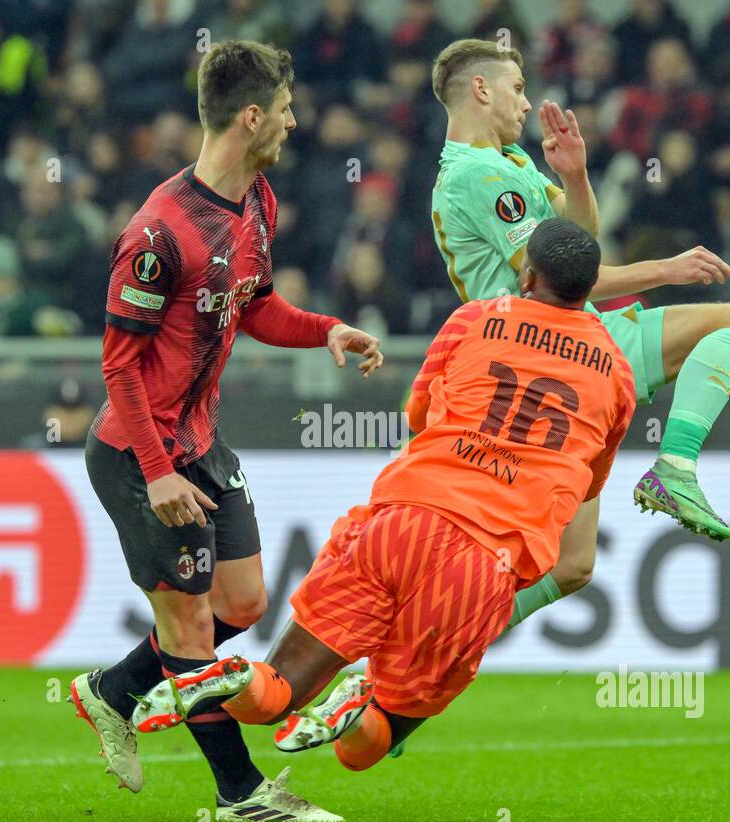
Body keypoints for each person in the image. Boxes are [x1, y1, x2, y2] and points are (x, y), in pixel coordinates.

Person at [132, 219, 634, 784]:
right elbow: (586, 485)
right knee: (369, 744)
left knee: (275, 694)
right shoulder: (617, 374)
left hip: (401, 520)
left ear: (528, 272)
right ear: (592, 289)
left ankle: (222, 673)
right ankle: (360, 702)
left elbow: (418, 417)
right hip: (484, 560)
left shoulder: (476, 318)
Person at [68, 40, 384, 822]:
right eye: (284, 108)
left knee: (243, 603)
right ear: (252, 116)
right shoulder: (156, 233)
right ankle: (241, 792)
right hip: (139, 457)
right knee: (192, 624)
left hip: (201, 445)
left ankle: (114, 690)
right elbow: (119, 369)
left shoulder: (259, 201)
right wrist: (159, 472)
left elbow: (258, 305)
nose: (294, 119)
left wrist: (327, 331)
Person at [425, 38, 730, 633]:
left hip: (582, 341)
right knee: (509, 554)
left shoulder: (513, 163)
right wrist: (665, 270)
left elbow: (581, 243)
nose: (526, 103)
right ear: (481, 89)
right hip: (531, 364)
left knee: (575, 564)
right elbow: (569, 277)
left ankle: (674, 470)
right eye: (517, 87)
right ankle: (423, 639)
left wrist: (576, 177)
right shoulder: (474, 177)